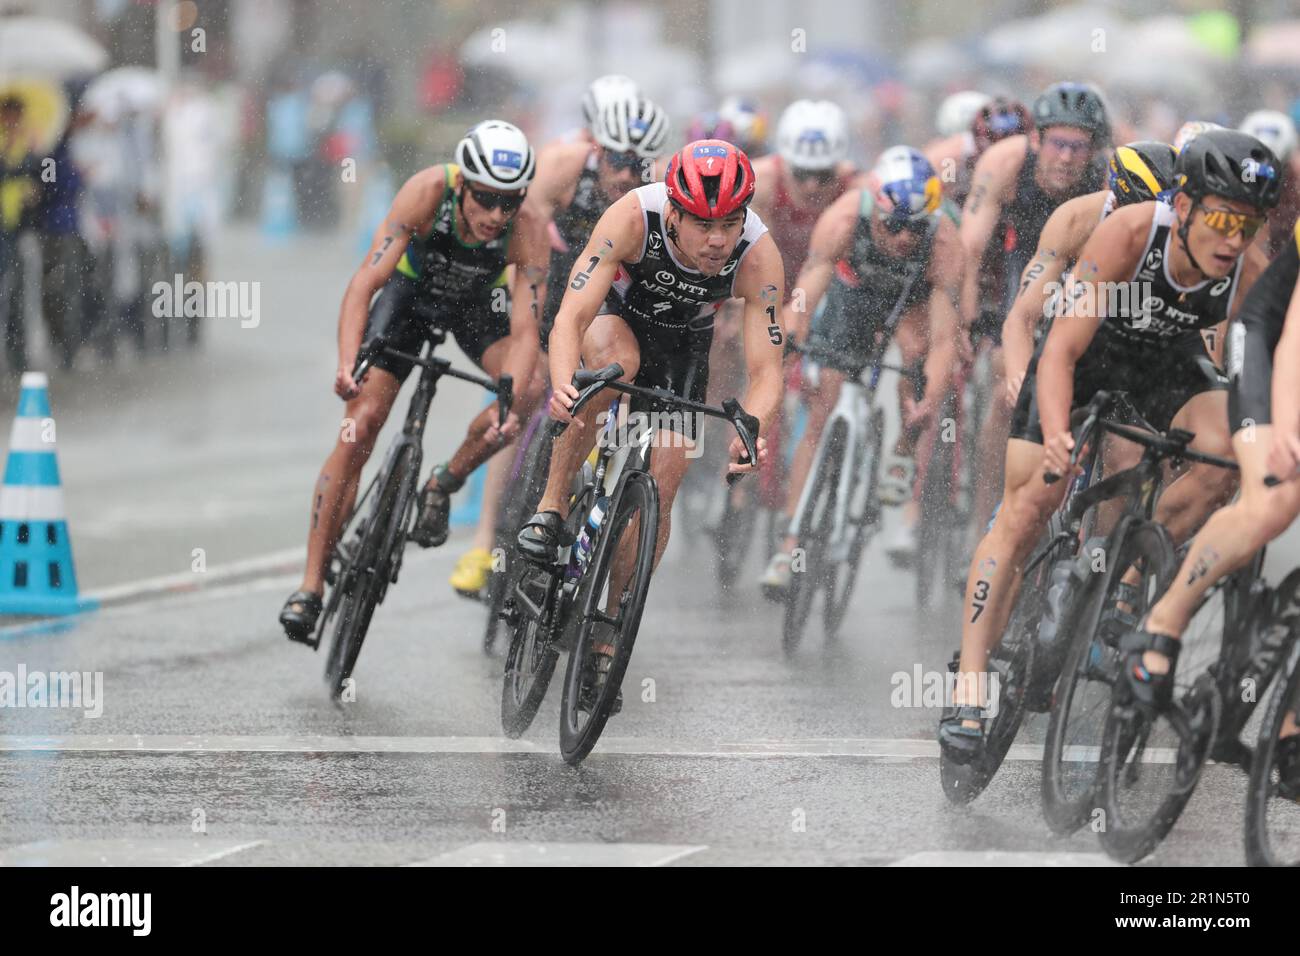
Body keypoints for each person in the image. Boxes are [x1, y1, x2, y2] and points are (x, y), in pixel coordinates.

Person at [940, 130, 1277, 761]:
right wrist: (1057, 431)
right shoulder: (1122, 232)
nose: (1235, 240)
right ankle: (968, 685)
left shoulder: (1248, 270)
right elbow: (1060, 346)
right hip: (1090, 352)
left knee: (1226, 455)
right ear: (1183, 210)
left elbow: (1258, 373)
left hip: (1167, 362)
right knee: (1028, 505)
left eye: (1250, 225)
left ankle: (1118, 572)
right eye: (1224, 221)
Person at [514, 139, 785, 700]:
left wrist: (749, 430)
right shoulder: (633, 216)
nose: (717, 239)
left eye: (730, 224)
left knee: (665, 475)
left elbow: (767, 372)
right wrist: (565, 383)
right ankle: (551, 505)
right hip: (613, 319)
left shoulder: (758, 256)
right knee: (618, 368)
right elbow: (570, 316)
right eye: (704, 224)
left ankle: (609, 632)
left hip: (684, 343)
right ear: (676, 213)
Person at [279, 120, 551, 640]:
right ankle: (310, 586)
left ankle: (442, 482)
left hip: (478, 307)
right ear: (463, 185)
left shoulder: (529, 224)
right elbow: (367, 282)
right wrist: (345, 363)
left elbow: (524, 329)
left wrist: (507, 398)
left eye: (508, 202)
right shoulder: (428, 191)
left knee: (530, 390)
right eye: (486, 199)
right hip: (410, 297)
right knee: (361, 425)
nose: (497, 215)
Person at [446, 95, 670, 598]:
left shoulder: (653, 194)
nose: (626, 174)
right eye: (617, 161)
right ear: (596, 148)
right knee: (525, 394)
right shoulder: (562, 167)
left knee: (621, 392)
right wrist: (525, 316)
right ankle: (483, 541)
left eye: (639, 165)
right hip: (552, 285)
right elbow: (518, 237)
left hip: (614, 299)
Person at [759, 146, 963, 589]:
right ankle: (790, 542)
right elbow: (806, 290)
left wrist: (929, 401)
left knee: (915, 356)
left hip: (912, 299)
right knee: (823, 401)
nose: (904, 238)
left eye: (915, 228)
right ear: (875, 212)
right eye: (893, 225)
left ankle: (902, 452)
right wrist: (790, 341)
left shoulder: (944, 239)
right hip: (854, 291)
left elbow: (945, 339)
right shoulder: (846, 216)